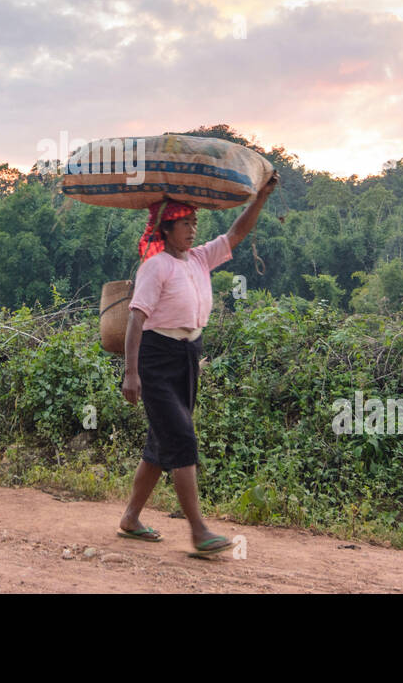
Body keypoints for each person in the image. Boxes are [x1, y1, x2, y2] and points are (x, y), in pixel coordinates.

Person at [117, 170, 279, 554]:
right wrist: (131, 373)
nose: (192, 229)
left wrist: (260, 199)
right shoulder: (155, 266)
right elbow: (136, 319)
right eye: (185, 223)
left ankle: (130, 517)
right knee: (182, 438)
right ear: (167, 229)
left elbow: (235, 235)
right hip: (156, 359)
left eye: (194, 222)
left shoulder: (199, 259)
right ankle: (198, 530)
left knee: (161, 444)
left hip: (187, 357)